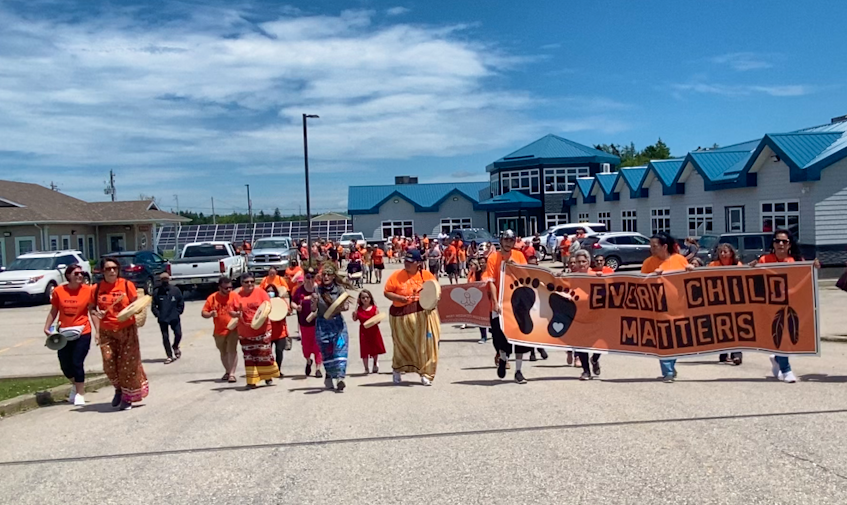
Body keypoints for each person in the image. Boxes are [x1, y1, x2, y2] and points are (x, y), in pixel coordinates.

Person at [751, 229, 819, 384]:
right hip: (769, 305)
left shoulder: (796, 260)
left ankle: (779, 361)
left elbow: (805, 278)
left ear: (789, 245)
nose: (780, 244)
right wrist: (750, 269)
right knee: (780, 335)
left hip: (791, 305)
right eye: (777, 241)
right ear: (773, 244)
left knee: (787, 335)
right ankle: (785, 368)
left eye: (784, 241)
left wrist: (813, 267)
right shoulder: (764, 260)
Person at [89, 257, 148, 410]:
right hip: (106, 330)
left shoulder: (127, 285)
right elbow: (92, 310)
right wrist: (98, 318)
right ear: (103, 271)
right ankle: (118, 388)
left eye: (114, 268)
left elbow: (138, 305)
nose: (112, 271)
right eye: (108, 268)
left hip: (126, 329)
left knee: (127, 365)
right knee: (108, 363)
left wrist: (135, 310)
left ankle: (127, 398)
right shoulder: (96, 289)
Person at [641, 232, 694, 382]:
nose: (652, 249)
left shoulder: (680, 260)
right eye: (650, 246)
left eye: (655, 246)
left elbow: (690, 282)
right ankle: (668, 371)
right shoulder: (648, 263)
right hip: (658, 308)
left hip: (678, 306)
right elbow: (641, 285)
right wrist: (653, 276)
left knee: (676, 340)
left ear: (664, 246)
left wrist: (690, 271)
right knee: (663, 339)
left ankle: (671, 363)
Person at [384, 249, 440, 386]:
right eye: (405, 261)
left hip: (422, 313)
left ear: (418, 263)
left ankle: (426, 374)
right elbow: (387, 292)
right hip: (400, 314)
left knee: (425, 345)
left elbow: (435, 291)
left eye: (410, 262)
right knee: (402, 344)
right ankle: (397, 369)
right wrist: (399, 298)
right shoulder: (396, 275)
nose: (406, 264)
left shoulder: (426, 275)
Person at [43, 264, 94, 406]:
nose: (80, 276)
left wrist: (98, 331)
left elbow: (92, 311)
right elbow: (54, 310)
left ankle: (80, 393)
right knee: (65, 364)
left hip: (83, 331)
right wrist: (47, 327)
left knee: (77, 361)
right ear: (68, 276)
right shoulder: (59, 291)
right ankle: (75, 384)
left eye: (81, 273)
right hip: (64, 332)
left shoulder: (88, 291)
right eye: (76, 273)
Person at [484, 230, 530, 383]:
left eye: (511, 240)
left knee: (519, 338)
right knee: (499, 337)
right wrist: (495, 302)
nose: (508, 243)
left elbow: (526, 276)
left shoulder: (519, 255)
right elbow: (490, 281)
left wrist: (516, 266)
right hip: (500, 302)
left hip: (517, 302)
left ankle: (518, 371)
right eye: (506, 240)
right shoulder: (493, 257)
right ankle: (503, 358)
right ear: (501, 241)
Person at [228, 272, 279, 389]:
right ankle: (251, 381)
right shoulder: (236, 295)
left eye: (252, 281)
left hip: (262, 330)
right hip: (245, 332)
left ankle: (267, 376)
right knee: (249, 357)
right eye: (246, 282)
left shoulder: (261, 293)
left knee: (264, 355)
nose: (250, 284)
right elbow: (231, 310)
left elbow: (267, 307)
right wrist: (236, 314)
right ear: (241, 284)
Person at [313, 264, 352, 391]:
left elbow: (346, 306)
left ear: (333, 276)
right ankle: (329, 374)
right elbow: (313, 309)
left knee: (340, 348)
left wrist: (342, 306)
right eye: (324, 274)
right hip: (322, 324)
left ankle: (340, 377)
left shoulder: (339, 289)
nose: (326, 277)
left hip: (337, 324)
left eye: (328, 274)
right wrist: (313, 301)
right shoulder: (317, 290)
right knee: (327, 352)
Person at [569, 250, 604, 380]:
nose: (581, 264)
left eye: (584, 261)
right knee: (581, 343)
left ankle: (594, 359)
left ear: (589, 262)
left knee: (600, 342)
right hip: (579, 315)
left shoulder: (597, 276)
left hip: (596, 314)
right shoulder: (572, 277)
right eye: (578, 262)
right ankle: (586, 371)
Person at [707, 243, 744, 366]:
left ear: (731, 253)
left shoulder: (737, 265)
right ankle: (723, 354)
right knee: (722, 327)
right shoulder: (713, 265)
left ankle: (736, 354)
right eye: (720, 252)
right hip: (718, 301)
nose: (723, 254)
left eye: (725, 252)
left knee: (736, 327)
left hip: (735, 301)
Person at [201, 276, 239, 383]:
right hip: (219, 330)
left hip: (232, 328)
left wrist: (237, 314)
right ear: (219, 288)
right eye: (226, 288)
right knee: (223, 352)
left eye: (230, 287)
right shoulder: (212, 298)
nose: (229, 290)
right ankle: (227, 371)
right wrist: (210, 314)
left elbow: (240, 310)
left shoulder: (234, 296)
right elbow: (203, 313)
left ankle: (232, 373)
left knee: (232, 351)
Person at [291, 267, 322, 378]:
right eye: (308, 277)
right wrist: (297, 307)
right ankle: (309, 361)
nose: (310, 279)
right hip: (304, 322)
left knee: (317, 346)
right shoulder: (300, 290)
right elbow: (292, 303)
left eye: (312, 277)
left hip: (317, 322)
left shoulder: (318, 289)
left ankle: (318, 368)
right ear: (304, 277)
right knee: (306, 346)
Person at [521, 246, 550, 362]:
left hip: (539, 306)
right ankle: (533, 352)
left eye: (534, 264)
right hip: (528, 306)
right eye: (530, 265)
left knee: (539, 330)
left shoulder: (541, 275)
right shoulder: (524, 277)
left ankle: (540, 347)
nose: (533, 267)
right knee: (530, 330)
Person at [152, 272, 184, 365]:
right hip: (163, 318)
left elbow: (181, 302)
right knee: (165, 337)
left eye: (166, 279)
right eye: (163, 280)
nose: (164, 281)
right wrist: (158, 314)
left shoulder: (175, 290)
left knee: (178, 334)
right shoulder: (157, 292)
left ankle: (175, 346)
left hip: (174, 317)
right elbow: (153, 306)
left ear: (169, 279)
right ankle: (169, 355)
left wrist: (178, 312)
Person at [352, 290, 386, 374]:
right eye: (363, 298)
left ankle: (375, 363)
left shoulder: (374, 308)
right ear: (360, 299)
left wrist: (377, 316)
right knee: (364, 349)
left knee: (375, 348)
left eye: (367, 297)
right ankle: (366, 368)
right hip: (363, 331)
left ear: (370, 298)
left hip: (374, 331)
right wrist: (354, 313)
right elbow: (355, 319)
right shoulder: (359, 309)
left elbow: (378, 320)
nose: (365, 299)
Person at [264, 283, 289, 377]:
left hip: (280, 332)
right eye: (268, 291)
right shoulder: (264, 303)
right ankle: (270, 370)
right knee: (268, 353)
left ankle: (278, 369)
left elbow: (287, 311)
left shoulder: (281, 301)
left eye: (272, 291)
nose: (270, 293)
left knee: (279, 351)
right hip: (268, 332)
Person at [466, 259, 490, 345]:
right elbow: (475, 284)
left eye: (483, 262)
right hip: (480, 297)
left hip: (490, 297)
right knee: (480, 317)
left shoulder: (490, 271)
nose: (482, 264)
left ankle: (491, 330)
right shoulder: (478, 273)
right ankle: (483, 336)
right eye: (480, 263)